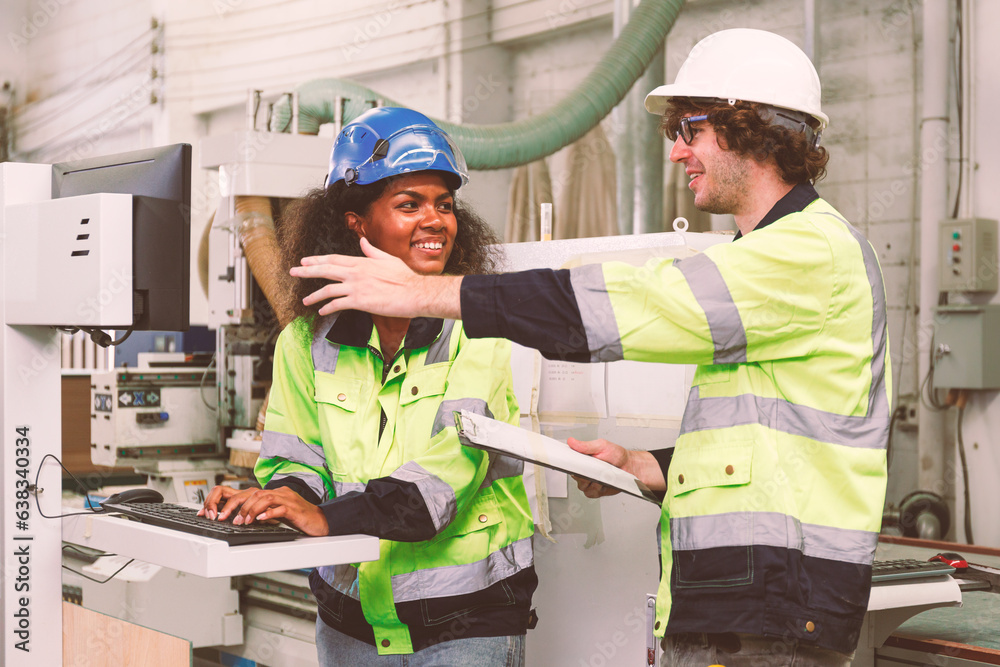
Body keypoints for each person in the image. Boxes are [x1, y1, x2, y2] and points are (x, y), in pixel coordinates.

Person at [288, 28, 890, 667]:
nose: (677, 152)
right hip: (752, 609)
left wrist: (429, 296)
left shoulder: (807, 252)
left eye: (690, 129)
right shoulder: (767, 256)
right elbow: (770, 436)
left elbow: (629, 306)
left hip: (776, 607)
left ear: (750, 127)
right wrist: (650, 465)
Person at [199, 107, 537, 666]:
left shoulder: (478, 333)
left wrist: (327, 517)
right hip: (350, 622)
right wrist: (277, 501)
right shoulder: (306, 343)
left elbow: (437, 489)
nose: (436, 220)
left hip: (465, 624)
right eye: (409, 205)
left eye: (444, 204)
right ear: (356, 222)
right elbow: (295, 460)